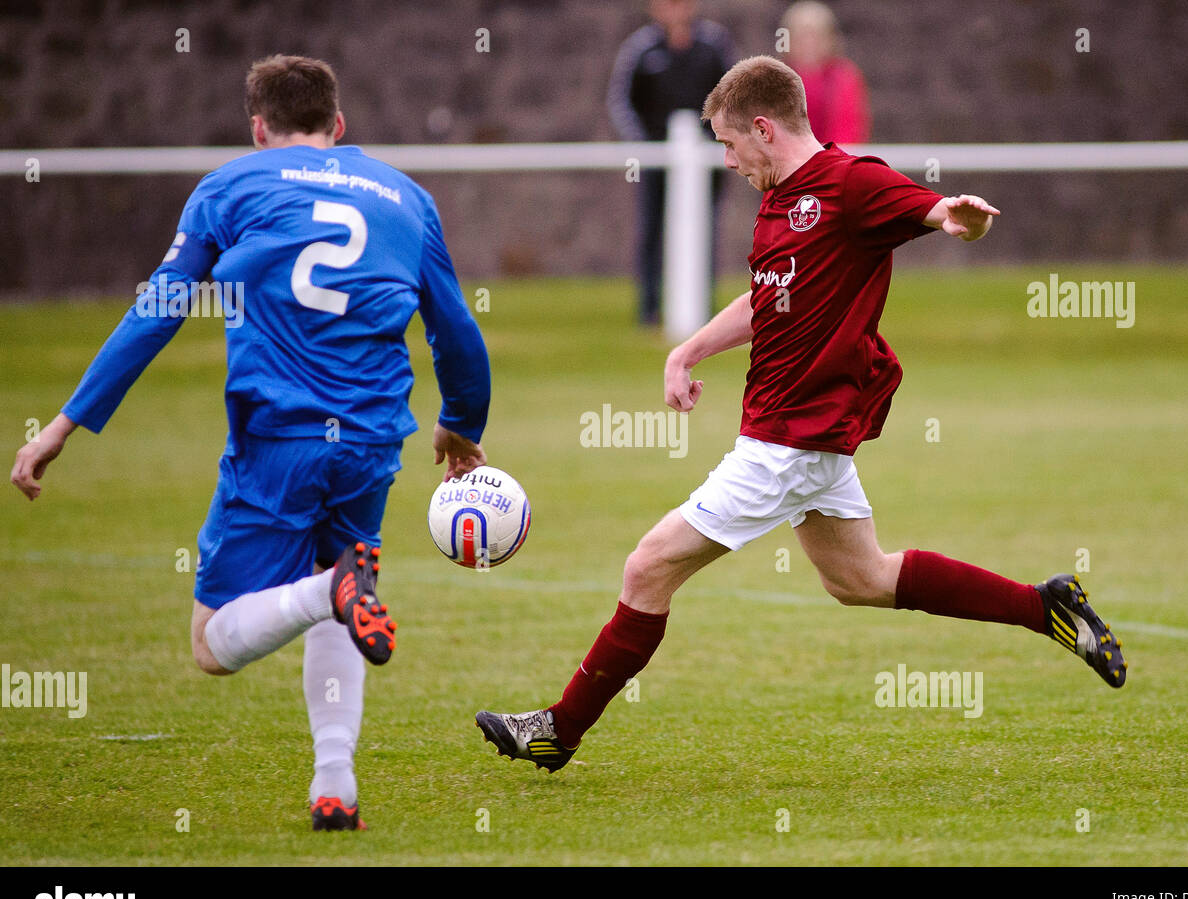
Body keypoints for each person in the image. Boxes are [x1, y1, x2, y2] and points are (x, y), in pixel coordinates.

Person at [476, 55, 1126, 772]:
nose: (725, 160)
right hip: (801, 441)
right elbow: (766, 300)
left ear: (762, 128)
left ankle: (556, 731)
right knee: (862, 580)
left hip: (787, 443)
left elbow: (936, 212)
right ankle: (1048, 606)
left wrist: (959, 220)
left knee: (647, 567)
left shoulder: (851, 183)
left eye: (727, 144)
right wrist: (687, 351)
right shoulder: (778, 202)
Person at [11, 55, 491, 830]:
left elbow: (156, 311)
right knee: (346, 586)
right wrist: (463, 422)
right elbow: (456, 330)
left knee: (211, 643)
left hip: (279, 440)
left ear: (257, 128)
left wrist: (65, 424)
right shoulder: (407, 197)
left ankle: (325, 590)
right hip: (372, 440)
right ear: (338, 128)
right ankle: (335, 786)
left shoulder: (230, 187)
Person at [608, 0, 734, 327]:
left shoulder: (714, 45)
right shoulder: (640, 48)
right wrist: (646, 147)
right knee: (651, 232)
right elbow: (622, 102)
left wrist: (720, 143)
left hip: (706, 161)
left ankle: (703, 307)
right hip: (656, 161)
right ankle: (649, 309)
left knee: (703, 231)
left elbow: (733, 95)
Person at [781, 1, 871, 145]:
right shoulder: (775, 77)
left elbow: (848, 131)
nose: (808, 44)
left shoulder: (845, 78)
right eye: (801, 37)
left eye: (815, 36)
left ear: (830, 40)